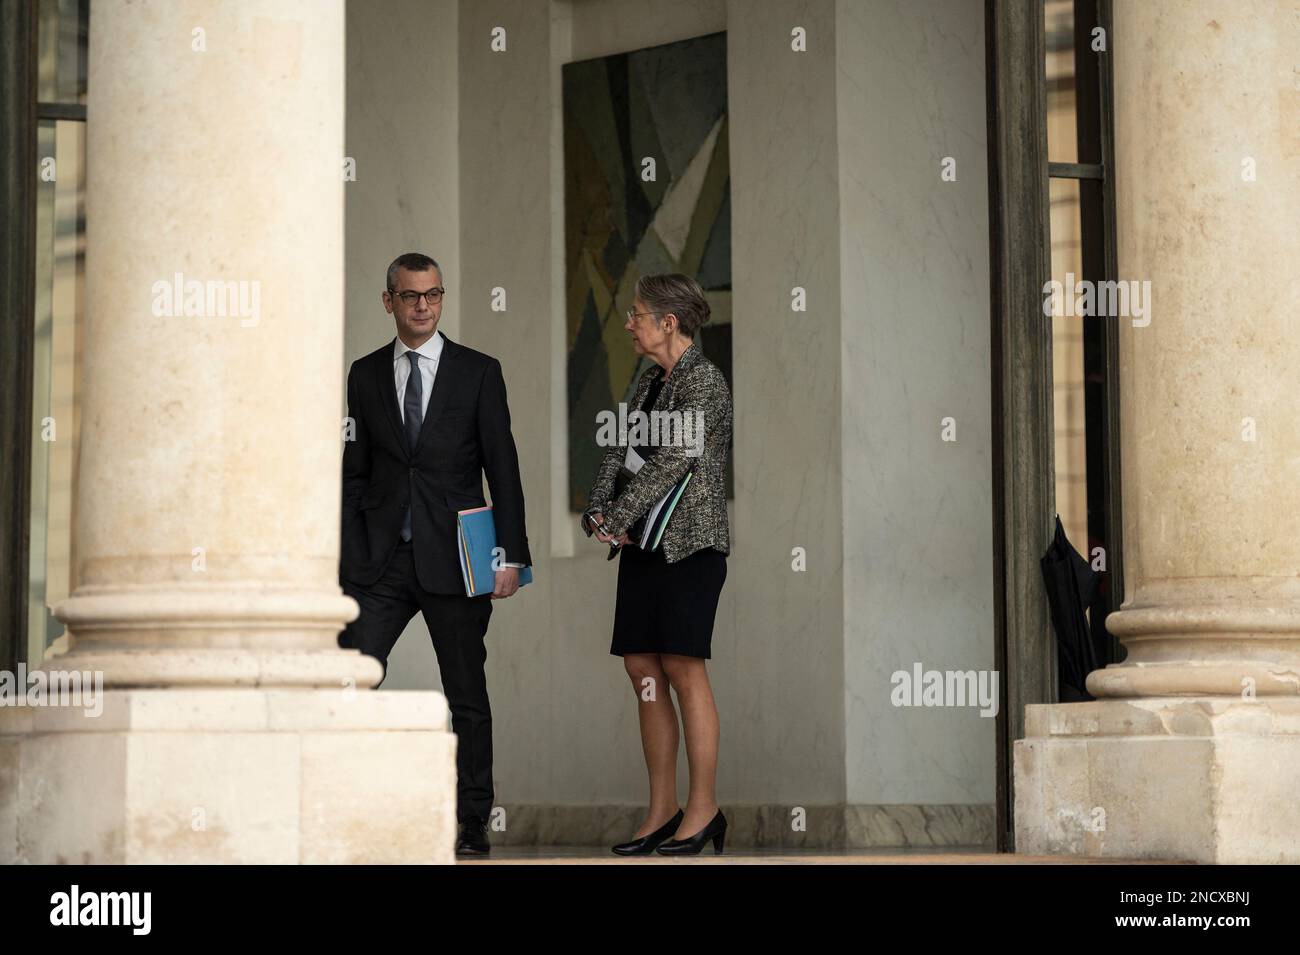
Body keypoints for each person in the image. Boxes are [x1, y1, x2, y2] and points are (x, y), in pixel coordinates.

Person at [339, 252, 530, 857]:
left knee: (467, 696)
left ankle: (472, 820)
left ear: (441, 299)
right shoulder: (364, 374)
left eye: (433, 295)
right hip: (381, 563)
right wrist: (345, 552)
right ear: (388, 300)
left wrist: (511, 556)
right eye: (411, 295)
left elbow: (503, 467)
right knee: (348, 678)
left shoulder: (478, 371)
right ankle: (352, 810)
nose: (423, 306)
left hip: (459, 558)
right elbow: (355, 472)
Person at [583, 273, 733, 856]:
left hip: (690, 548)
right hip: (643, 545)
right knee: (642, 669)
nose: (629, 322)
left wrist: (618, 515)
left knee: (683, 668)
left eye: (638, 313)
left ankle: (705, 809)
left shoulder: (705, 382)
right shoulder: (649, 381)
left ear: (669, 322)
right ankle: (662, 809)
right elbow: (621, 451)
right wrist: (599, 509)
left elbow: (672, 463)